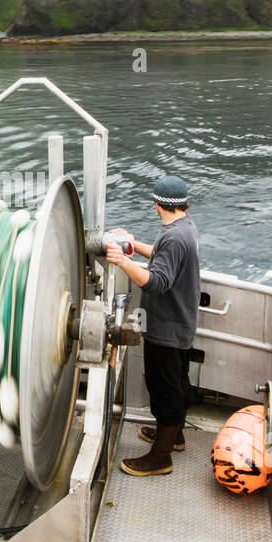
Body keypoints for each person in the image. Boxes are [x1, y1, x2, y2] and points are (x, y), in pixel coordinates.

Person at [104, 175, 201, 477]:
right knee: (178, 383)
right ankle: (175, 437)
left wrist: (122, 261)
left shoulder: (173, 237)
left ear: (158, 203)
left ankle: (161, 458)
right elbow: (162, 256)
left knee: (164, 390)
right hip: (181, 325)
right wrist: (133, 245)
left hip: (166, 329)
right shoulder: (184, 227)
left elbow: (157, 281)